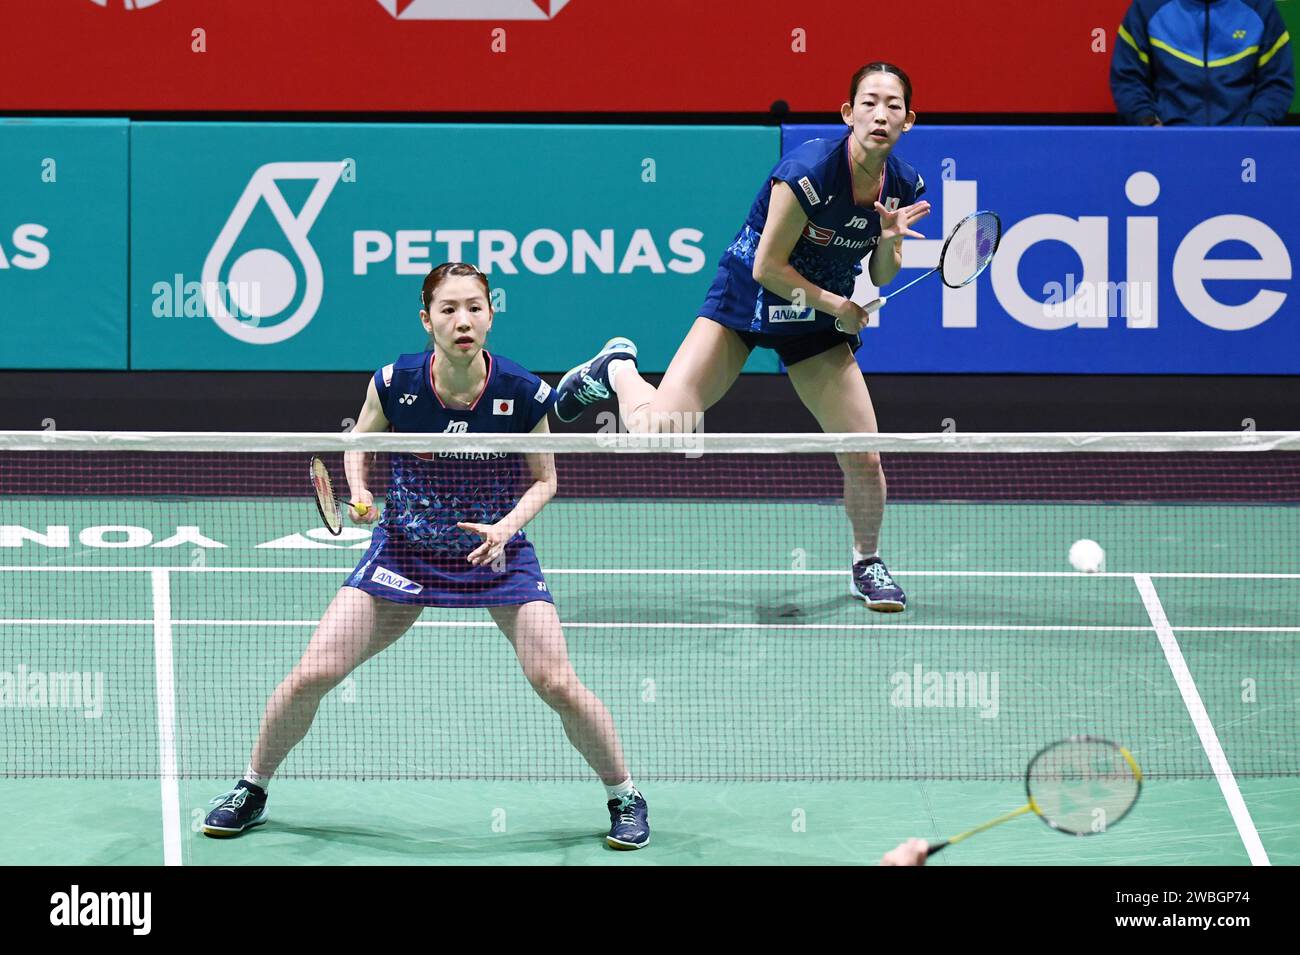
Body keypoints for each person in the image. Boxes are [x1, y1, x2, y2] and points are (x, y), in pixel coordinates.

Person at [203, 263, 650, 850]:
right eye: (448, 309)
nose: (462, 320)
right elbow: (360, 441)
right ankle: (251, 787)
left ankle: (626, 795)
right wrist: (360, 491)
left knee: (556, 681)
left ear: (492, 314)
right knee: (314, 672)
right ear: (427, 318)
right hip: (405, 553)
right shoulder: (394, 382)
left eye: (474, 307)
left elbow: (545, 479)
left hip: (495, 555)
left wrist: (506, 527)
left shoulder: (524, 391)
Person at [552, 62, 929, 612]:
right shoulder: (807, 173)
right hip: (749, 300)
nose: (881, 113)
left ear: (909, 120)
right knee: (661, 428)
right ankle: (616, 369)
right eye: (869, 102)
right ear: (848, 113)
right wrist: (840, 307)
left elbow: (884, 272)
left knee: (863, 456)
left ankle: (867, 563)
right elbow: (769, 268)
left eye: (893, 105)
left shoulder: (902, 185)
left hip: (818, 321)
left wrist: (891, 244)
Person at [1111, 0, 1294, 126]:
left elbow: (1276, 83)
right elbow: (1128, 79)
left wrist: (1253, 128)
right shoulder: (1147, 7)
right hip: (1167, 145)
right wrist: (1149, 123)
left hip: (1244, 147)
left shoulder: (1260, 8)